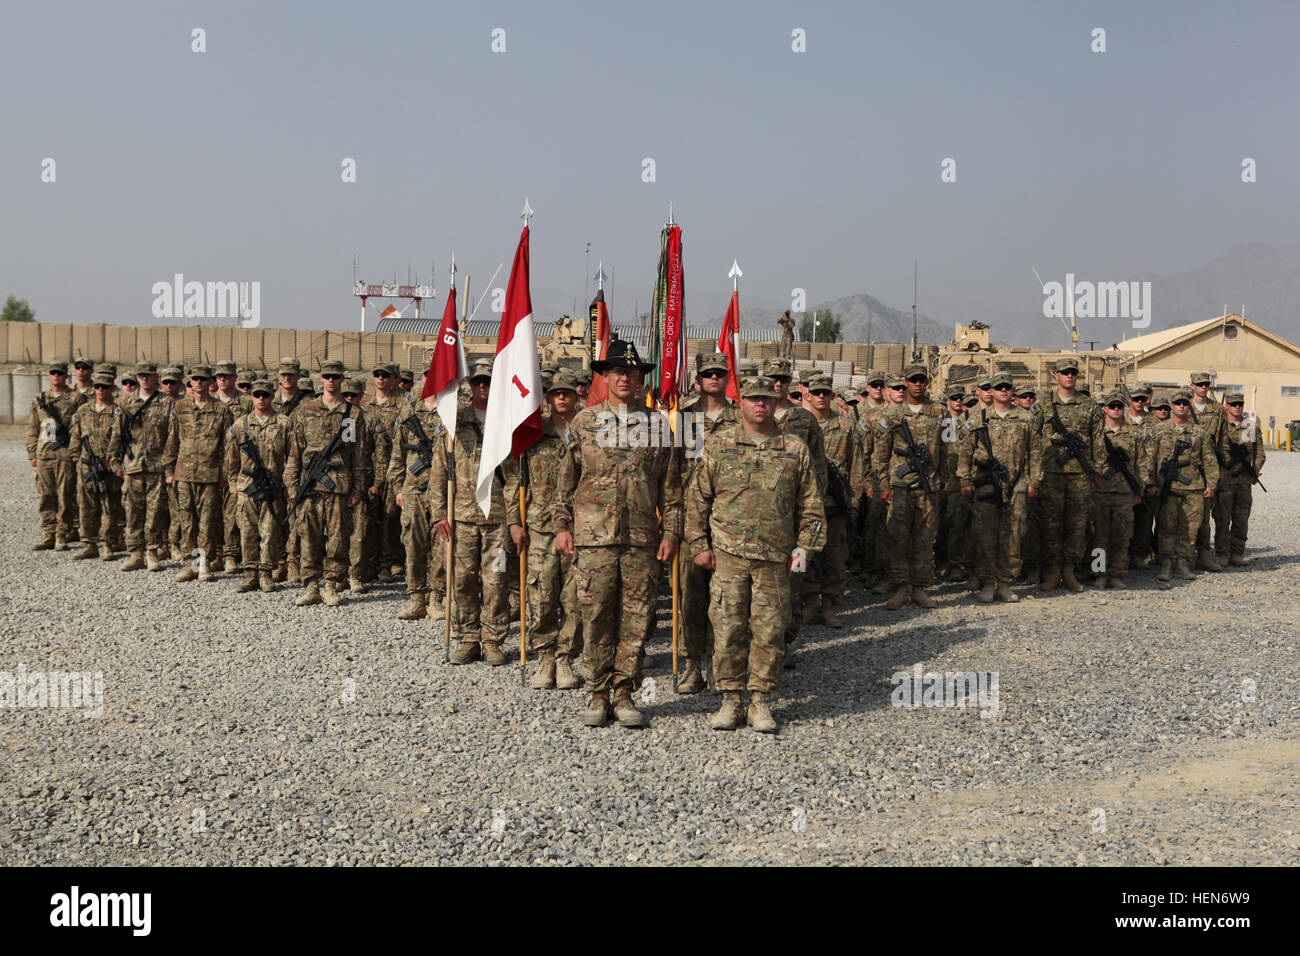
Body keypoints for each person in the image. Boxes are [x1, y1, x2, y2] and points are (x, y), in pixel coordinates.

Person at [554, 340, 682, 729]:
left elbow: (671, 487)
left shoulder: (658, 425)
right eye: (617, 372)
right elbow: (567, 481)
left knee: (637, 619)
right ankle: (597, 691)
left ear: (642, 378)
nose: (625, 377)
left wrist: (672, 532)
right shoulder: (585, 422)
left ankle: (625, 691)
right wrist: (561, 525)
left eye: (632, 372)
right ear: (606, 377)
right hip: (594, 538)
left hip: (642, 539)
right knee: (594, 615)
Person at [687, 375, 826, 733]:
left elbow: (811, 505)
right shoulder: (719, 445)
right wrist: (698, 545)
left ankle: (761, 701)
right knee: (729, 629)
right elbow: (698, 499)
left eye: (766, 399)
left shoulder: (793, 449)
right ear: (742, 403)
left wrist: (805, 549)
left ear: (774, 403)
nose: (760, 405)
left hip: (774, 558)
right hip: (728, 556)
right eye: (753, 399)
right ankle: (731, 700)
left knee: (769, 632)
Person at [431, 359, 514, 660]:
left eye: (488, 382)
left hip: (498, 518)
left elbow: (516, 474)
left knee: (496, 579)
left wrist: (516, 517)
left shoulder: (507, 422)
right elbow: (440, 470)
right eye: (477, 381)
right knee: (462, 580)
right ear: (468, 384)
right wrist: (439, 512)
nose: (482, 386)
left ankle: (492, 640)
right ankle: (467, 638)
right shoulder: (455, 422)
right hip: (461, 518)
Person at [510, 370, 584, 690]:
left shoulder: (587, 431)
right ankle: (544, 656)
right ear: (549, 398)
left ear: (577, 396)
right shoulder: (533, 432)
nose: (562, 397)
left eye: (567, 392)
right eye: (556, 393)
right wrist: (514, 520)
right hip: (540, 526)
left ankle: (566, 658)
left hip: (581, 527)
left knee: (575, 597)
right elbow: (516, 479)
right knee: (541, 595)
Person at [676, 353, 741, 693]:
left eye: (719, 373)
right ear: (698, 380)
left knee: (726, 597)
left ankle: (721, 664)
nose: (714, 378)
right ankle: (691, 666)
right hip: (691, 519)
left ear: (727, 378)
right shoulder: (682, 420)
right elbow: (671, 473)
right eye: (708, 374)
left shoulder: (740, 418)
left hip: (730, 518)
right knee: (692, 596)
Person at [284, 359, 365, 607]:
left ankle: (331, 585)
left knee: (338, 537)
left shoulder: (352, 414)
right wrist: (291, 485)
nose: (331, 380)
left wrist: (357, 489)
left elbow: (359, 455)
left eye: (335, 377)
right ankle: (311, 586)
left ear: (342, 379)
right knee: (308, 536)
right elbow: (295, 452)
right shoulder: (306, 410)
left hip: (339, 485)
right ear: (321, 379)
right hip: (310, 485)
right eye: (327, 376)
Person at [760, 358, 827, 658]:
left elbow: (819, 467)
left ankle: (785, 643)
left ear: (791, 384)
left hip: (796, 515)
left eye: (783, 378)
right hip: (760, 515)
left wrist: (816, 504)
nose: (777, 383)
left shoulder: (804, 420)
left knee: (792, 581)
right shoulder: (752, 415)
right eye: (772, 377)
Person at [873, 364, 948, 610]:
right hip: (900, 487)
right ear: (905, 382)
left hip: (928, 487)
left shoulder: (941, 413)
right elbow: (880, 454)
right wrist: (884, 484)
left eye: (922, 380)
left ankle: (919, 588)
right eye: (914, 380)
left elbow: (950, 450)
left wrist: (943, 481)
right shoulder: (891, 416)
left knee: (925, 538)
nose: (918, 384)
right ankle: (900, 587)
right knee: (898, 538)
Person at [1030, 358, 1101, 593]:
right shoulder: (1043, 404)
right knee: (1051, 523)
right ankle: (1053, 571)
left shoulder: (1089, 405)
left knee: (1077, 525)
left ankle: (1069, 570)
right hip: (1051, 473)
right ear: (1056, 376)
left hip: (1080, 475)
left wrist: (1096, 471)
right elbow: (1032, 438)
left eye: (1073, 372)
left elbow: (1098, 441)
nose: (1069, 376)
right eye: (1065, 372)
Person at [164, 365, 235, 582]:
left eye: (204, 379)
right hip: (184, 474)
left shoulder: (221, 410)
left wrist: (226, 474)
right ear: (191, 382)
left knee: (206, 522)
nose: (199, 383)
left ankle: (204, 564)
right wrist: (169, 470)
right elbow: (173, 439)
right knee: (186, 520)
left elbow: (229, 446)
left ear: (210, 382)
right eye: (195, 379)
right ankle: (190, 565)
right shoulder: (180, 407)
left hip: (210, 475)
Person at [225, 379, 292, 592]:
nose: (261, 399)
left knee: (270, 530)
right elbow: (232, 459)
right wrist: (234, 486)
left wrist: (288, 486)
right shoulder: (240, 424)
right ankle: (250, 574)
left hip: (273, 487)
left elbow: (292, 457)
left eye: (265, 394)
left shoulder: (284, 423)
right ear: (251, 397)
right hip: (247, 487)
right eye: (257, 395)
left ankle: (266, 573)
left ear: (273, 396)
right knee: (247, 531)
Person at [389, 374, 446, 621]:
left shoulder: (452, 412)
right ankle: (416, 598)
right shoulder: (409, 413)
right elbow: (397, 454)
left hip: (443, 491)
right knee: (413, 544)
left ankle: (437, 598)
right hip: (413, 488)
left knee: (441, 546)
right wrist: (398, 489)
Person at [1148, 388, 1218, 587]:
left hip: (1193, 487)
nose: (1181, 406)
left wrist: (1211, 484)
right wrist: (1151, 482)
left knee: (1190, 529)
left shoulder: (1198, 432)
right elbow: (1150, 459)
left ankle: (1182, 564)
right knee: (1166, 527)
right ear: (1171, 406)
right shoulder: (1160, 431)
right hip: (1167, 488)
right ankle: (1166, 564)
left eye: (1184, 403)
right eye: (1177, 403)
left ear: (1188, 406)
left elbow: (1210, 460)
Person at [803, 373, 856, 627]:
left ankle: (829, 606)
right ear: (808, 396)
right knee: (809, 555)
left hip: (835, 504)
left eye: (826, 392)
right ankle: (810, 604)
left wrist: (853, 501)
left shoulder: (845, 426)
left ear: (833, 396)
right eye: (817, 393)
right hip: (809, 506)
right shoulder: (800, 426)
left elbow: (855, 465)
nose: (821, 397)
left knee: (835, 556)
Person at [1090, 387, 1151, 589]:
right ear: (1105, 409)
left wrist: (1139, 490)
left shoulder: (1133, 434)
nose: (1116, 409)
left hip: (1125, 493)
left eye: (1119, 406)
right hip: (1100, 492)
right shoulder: (1096, 435)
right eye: (1112, 406)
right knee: (1099, 536)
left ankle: (1117, 574)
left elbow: (1142, 463)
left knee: (1122, 536)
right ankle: (1099, 573)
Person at [119, 363, 176, 571]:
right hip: (133, 465)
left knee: (155, 511)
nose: (144, 379)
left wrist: (170, 468)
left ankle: (152, 552)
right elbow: (117, 434)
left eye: (148, 376)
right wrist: (115, 461)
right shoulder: (126, 402)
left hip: (157, 466)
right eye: (141, 376)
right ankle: (135, 553)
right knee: (132, 510)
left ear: (156, 378)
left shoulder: (167, 402)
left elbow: (173, 437)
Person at [27, 362, 85, 551]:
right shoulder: (40, 398)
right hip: (44, 454)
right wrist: (32, 453)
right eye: (53, 373)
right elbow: (33, 427)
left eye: (60, 373)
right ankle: (49, 533)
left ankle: (62, 533)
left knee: (66, 495)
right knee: (46, 495)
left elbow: (82, 428)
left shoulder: (76, 398)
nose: (56, 376)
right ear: (49, 376)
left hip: (65, 453)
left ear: (66, 376)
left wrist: (78, 455)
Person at [68, 371, 124, 560]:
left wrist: (117, 463)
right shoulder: (84, 410)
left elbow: (122, 439)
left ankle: (108, 544)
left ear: (111, 388)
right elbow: (75, 436)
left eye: (105, 387)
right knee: (86, 505)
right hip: (87, 465)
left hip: (108, 467)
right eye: (98, 387)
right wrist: (76, 459)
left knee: (110, 506)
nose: (100, 390)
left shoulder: (117, 411)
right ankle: (89, 544)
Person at [365, 362, 406, 580]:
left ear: (393, 379)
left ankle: (391, 562)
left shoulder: (402, 404)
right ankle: (371, 561)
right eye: (377, 374)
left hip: (393, 467)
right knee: (370, 517)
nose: (381, 378)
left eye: (385, 375)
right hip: (369, 468)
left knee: (391, 517)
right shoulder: (365, 404)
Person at [1214, 392, 1265, 567]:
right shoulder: (1219, 427)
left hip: (1244, 482)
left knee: (1241, 519)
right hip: (1225, 481)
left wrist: (1254, 471)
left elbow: (1259, 455)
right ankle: (1222, 554)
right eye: (1233, 404)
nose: (1237, 407)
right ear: (1226, 406)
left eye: (1240, 404)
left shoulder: (1250, 427)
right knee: (1222, 518)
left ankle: (1236, 553)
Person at [342, 378, 382, 594]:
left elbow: (380, 454)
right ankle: (337, 575)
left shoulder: (370, 420)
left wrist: (376, 482)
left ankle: (355, 575)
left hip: (362, 483)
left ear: (361, 397)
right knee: (337, 533)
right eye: (346, 396)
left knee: (359, 534)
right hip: (338, 483)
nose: (349, 399)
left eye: (353, 396)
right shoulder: (337, 418)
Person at [1187, 372, 1227, 571]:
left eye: (1206, 384)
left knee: (1204, 515)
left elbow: (1222, 440)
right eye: (1199, 384)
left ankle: (1202, 555)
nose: (1203, 387)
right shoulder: (1183, 406)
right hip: (1186, 467)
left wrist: (1218, 468)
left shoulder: (1217, 409)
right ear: (1192, 385)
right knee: (1180, 514)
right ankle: (1177, 557)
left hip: (1207, 467)